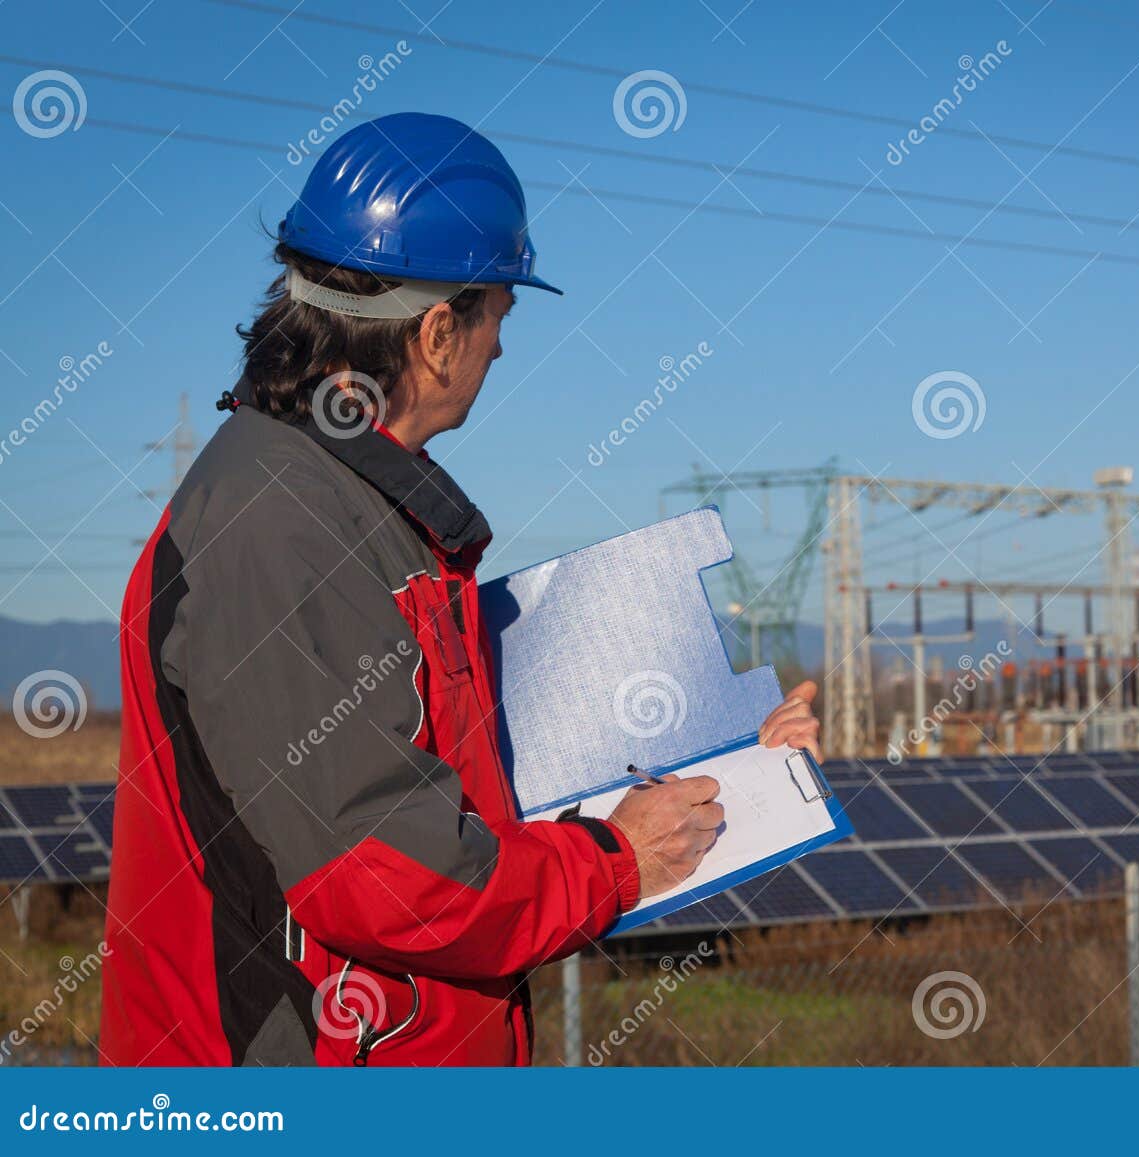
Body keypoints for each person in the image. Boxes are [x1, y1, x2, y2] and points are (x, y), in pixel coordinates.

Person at [100, 113, 821, 1066]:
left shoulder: (361, 510)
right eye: (497, 321)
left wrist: (729, 761)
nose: (499, 353)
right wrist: (613, 863)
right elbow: (383, 869)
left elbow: (477, 779)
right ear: (439, 332)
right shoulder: (273, 527)